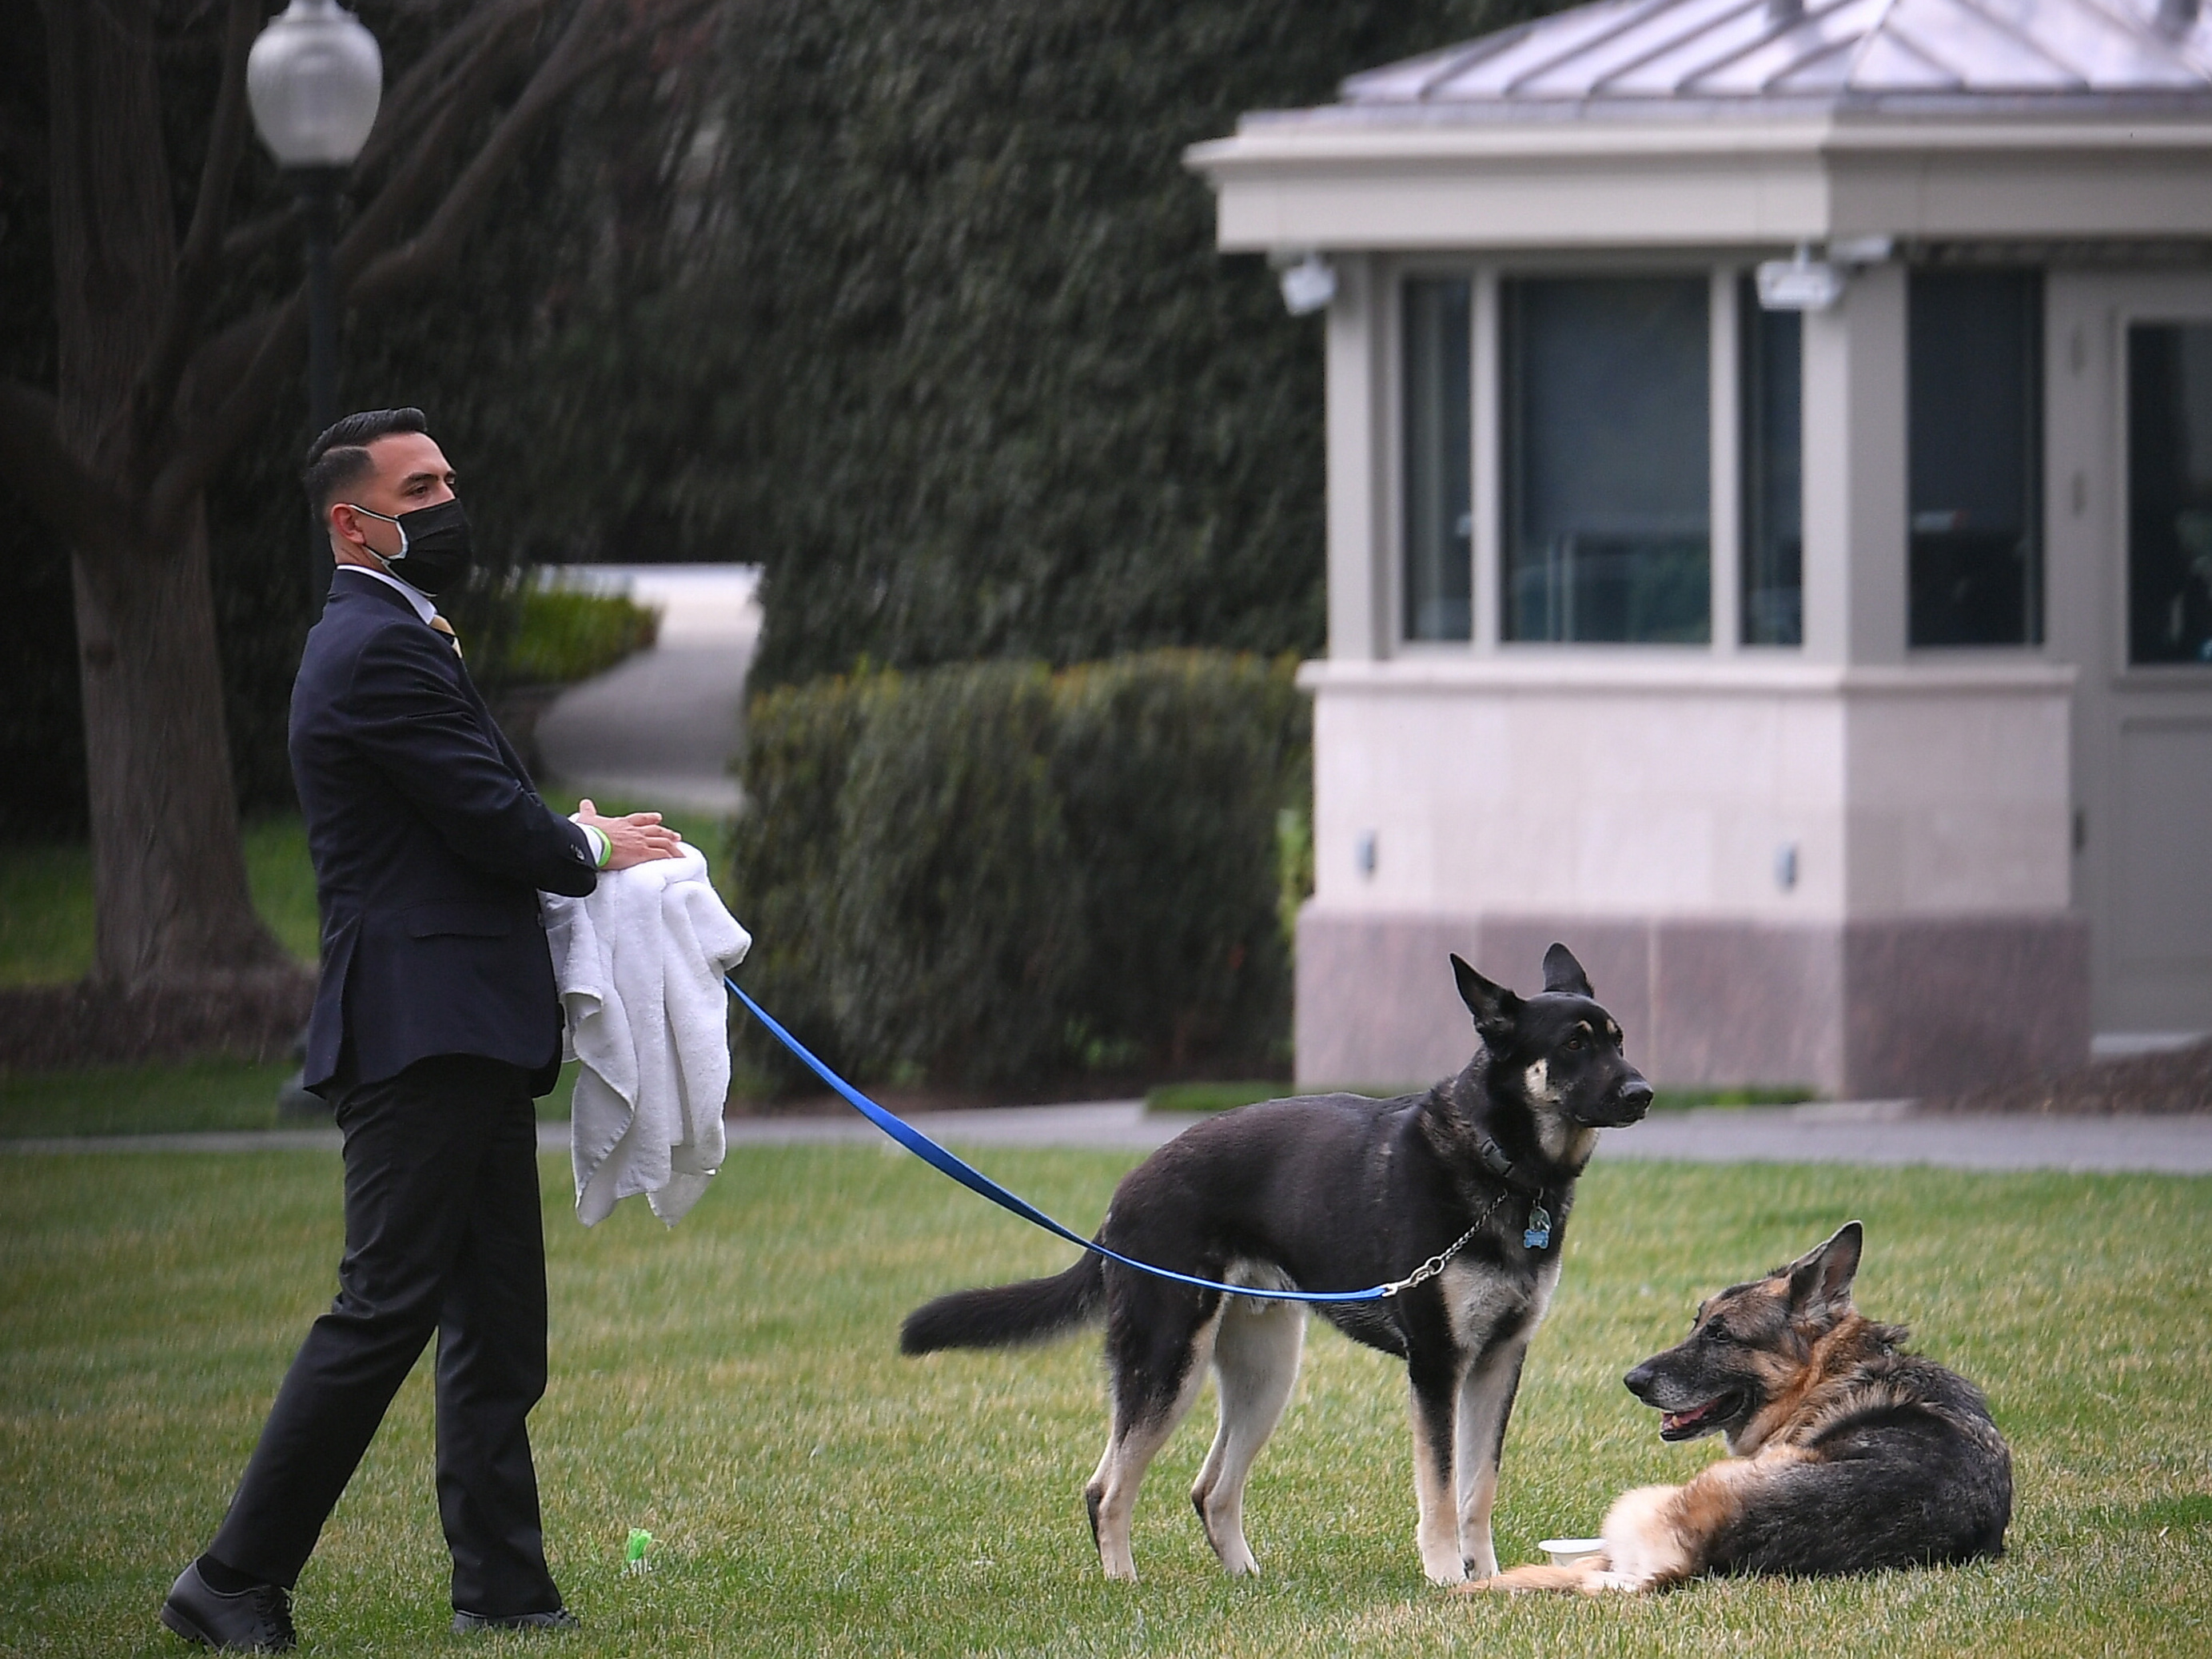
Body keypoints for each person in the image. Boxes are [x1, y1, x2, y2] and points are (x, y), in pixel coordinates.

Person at [161, 409, 680, 1651]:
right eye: (420, 489)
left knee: (497, 1323)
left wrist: (569, 837)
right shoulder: (372, 650)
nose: (449, 503)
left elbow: (470, 808)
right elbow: (489, 818)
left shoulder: (402, 634)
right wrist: (587, 847)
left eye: (447, 479)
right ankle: (230, 1579)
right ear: (353, 523)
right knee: (382, 1309)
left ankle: (504, 1588)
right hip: (417, 1033)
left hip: (466, 1028)